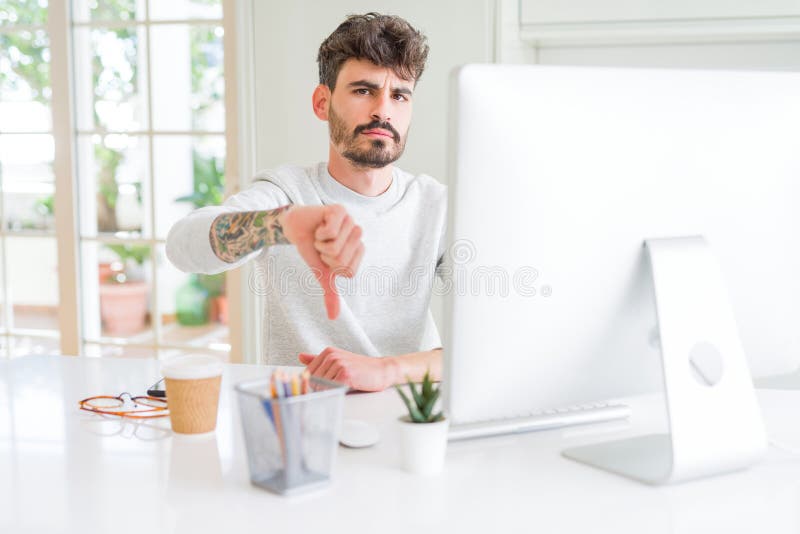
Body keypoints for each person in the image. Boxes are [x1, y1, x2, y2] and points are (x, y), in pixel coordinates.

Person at [166, 13, 446, 392]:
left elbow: (490, 341)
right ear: (321, 102)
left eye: (399, 95)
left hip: (411, 419)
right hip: (302, 417)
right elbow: (182, 246)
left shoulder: (435, 204)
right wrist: (280, 224)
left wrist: (385, 370)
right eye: (363, 90)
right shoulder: (287, 193)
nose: (383, 109)